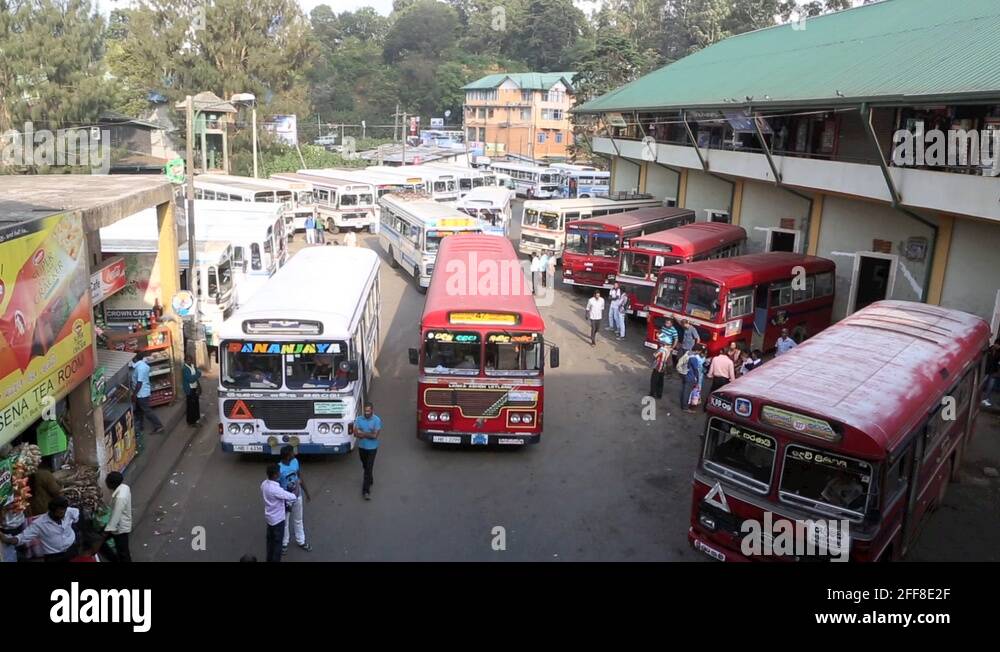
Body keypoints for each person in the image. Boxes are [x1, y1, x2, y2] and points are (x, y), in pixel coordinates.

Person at [0, 496, 79, 562]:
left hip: (72, 549)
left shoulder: (69, 512)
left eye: (64, 511)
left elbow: (77, 515)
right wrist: (5, 539)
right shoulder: (39, 524)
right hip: (55, 557)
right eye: (60, 513)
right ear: (51, 511)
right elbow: (22, 538)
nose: (63, 514)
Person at [261, 464, 298, 563]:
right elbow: (292, 497)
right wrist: (297, 485)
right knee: (277, 546)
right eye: (278, 472)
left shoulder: (264, 484)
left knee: (270, 544)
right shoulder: (275, 490)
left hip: (270, 518)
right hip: (278, 520)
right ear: (275, 475)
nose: (280, 473)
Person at [279, 445, 312, 554]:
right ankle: (284, 543)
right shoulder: (278, 468)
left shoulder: (295, 462)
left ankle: (301, 541)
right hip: (285, 500)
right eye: (292, 453)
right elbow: (276, 487)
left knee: (298, 519)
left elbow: (299, 477)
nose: (295, 454)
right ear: (288, 456)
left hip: (297, 497)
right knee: (285, 522)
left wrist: (306, 493)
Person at [99, 472, 132, 562]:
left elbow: (116, 516)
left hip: (120, 528)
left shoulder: (120, 498)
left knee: (123, 553)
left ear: (112, 484)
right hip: (118, 525)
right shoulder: (125, 488)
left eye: (107, 482)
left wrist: (106, 531)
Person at [132, 352, 164, 435]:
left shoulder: (140, 368)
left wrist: (134, 394)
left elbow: (139, 383)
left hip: (141, 393)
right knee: (139, 410)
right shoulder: (143, 365)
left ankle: (158, 426)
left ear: (135, 359)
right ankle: (139, 426)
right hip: (143, 392)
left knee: (147, 410)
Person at [354, 402, 382, 500]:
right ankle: (370, 478)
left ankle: (365, 491)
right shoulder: (358, 419)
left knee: (368, 468)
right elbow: (355, 434)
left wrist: (363, 433)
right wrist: (367, 434)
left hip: (372, 449)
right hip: (362, 448)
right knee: (365, 466)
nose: (366, 413)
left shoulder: (377, 420)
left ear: (372, 411)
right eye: (365, 411)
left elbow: (375, 436)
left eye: (368, 411)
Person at [679, 344, 706, 413]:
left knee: (684, 389)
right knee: (687, 392)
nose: (699, 353)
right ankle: (685, 407)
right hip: (690, 376)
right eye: (699, 351)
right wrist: (697, 380)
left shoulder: (688, 353)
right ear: (697, 350)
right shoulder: (693, 358)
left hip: (684, 373)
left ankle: (682, 404)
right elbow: (696, 370)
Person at [182, 354, 202, 426]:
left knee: (196, 405)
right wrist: (196, 375)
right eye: (188, 360)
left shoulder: (193, 366)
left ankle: (196, 420)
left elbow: (199, 373)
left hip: (195, 387)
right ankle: (191, 422)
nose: (189, 361)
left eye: (190, 360)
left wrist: (195, 376)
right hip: (189, 389)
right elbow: (190, 379)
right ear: (185, 361)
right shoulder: (185, 369)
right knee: (191, 406)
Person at [981, 337, 1000, 407]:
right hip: (986, 370)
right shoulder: (989, 349)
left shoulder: (999, 352)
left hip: (993, 372)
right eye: (997, 345)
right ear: (995, 344)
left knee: (990, 386)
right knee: (982, 383)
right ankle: (980, 397)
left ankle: (986, 398)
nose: (997, 346)